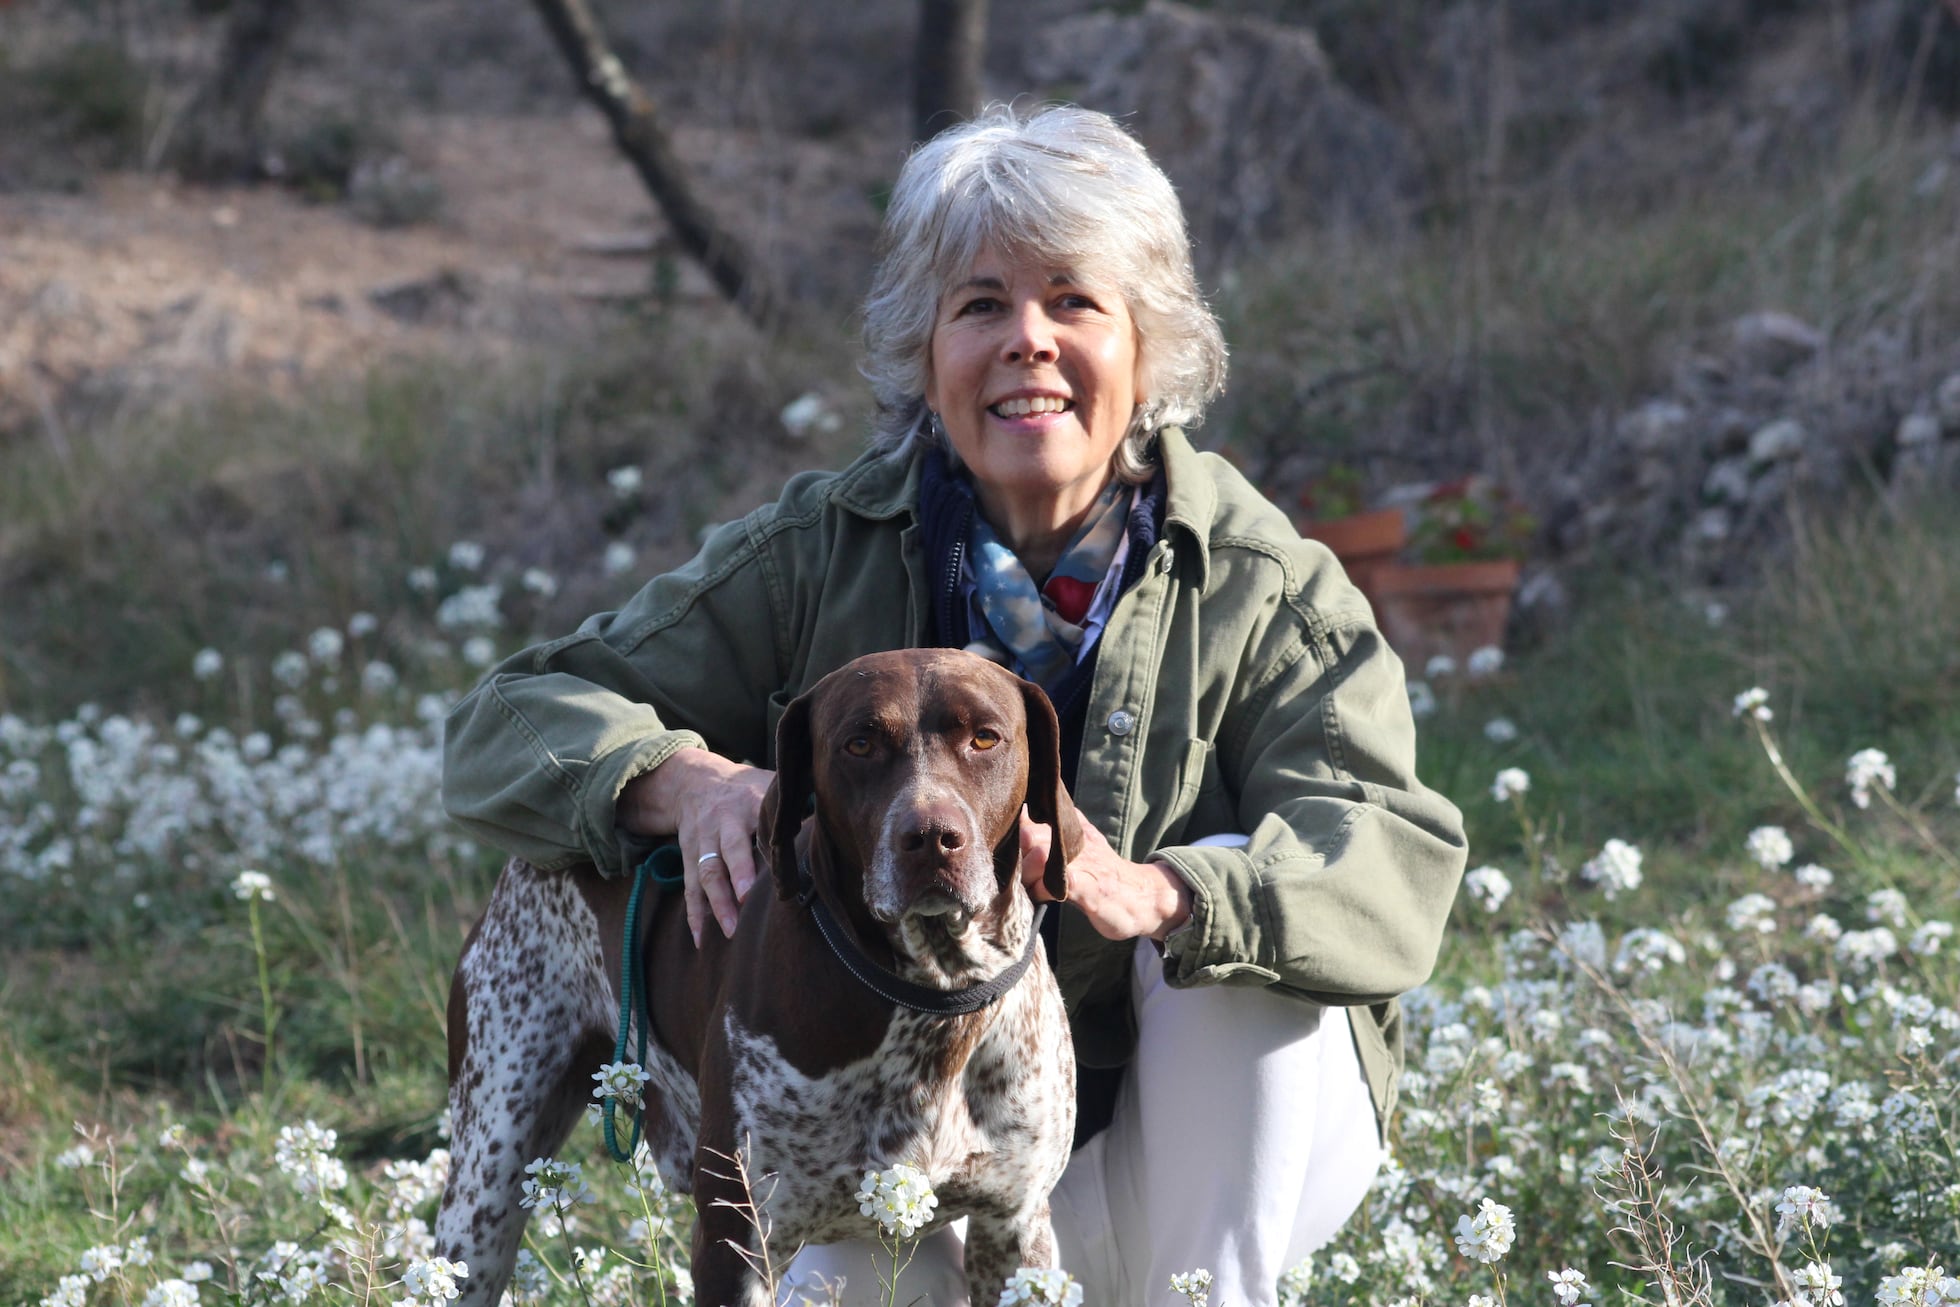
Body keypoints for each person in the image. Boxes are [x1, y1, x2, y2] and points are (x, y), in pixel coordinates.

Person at [443, 103, 1466, 1306]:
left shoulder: (1263, 585)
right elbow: (505, 716)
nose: (1026, 340)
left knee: (1231, 915)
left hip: (1211, 1159)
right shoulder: (818, 553)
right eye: (981, 305)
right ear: (927, 354)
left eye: (1073, 300)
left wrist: (1171, 892)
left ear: (1148, 346)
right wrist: (682, 777)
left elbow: (1392, 860)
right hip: (916, 1160)